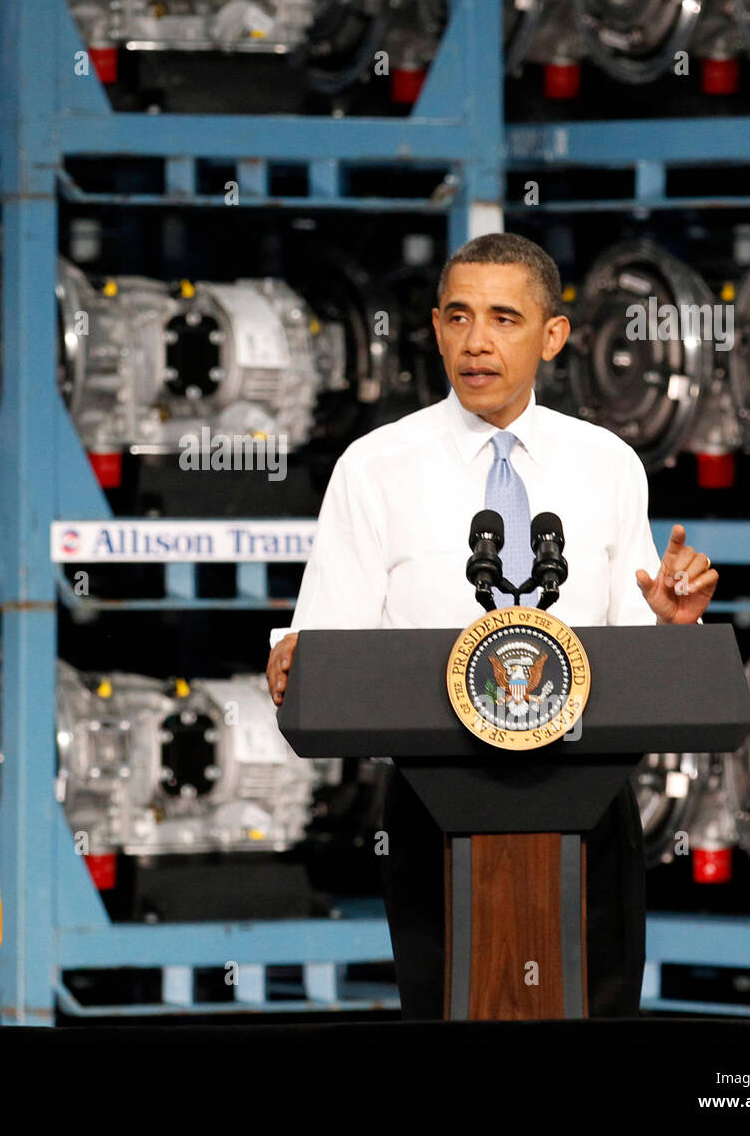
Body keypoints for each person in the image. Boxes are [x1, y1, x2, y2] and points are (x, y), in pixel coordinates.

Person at [266, 232, 718, 1018]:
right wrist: (291, 658)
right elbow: (323, 653)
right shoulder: (374, 467)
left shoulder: (607, 462)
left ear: (553, 336)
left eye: (505, 319)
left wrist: (671, 627)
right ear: (436, 328)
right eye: (459, 317)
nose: (477, 342)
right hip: (437, 804)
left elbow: (631, 667)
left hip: (588, 800)